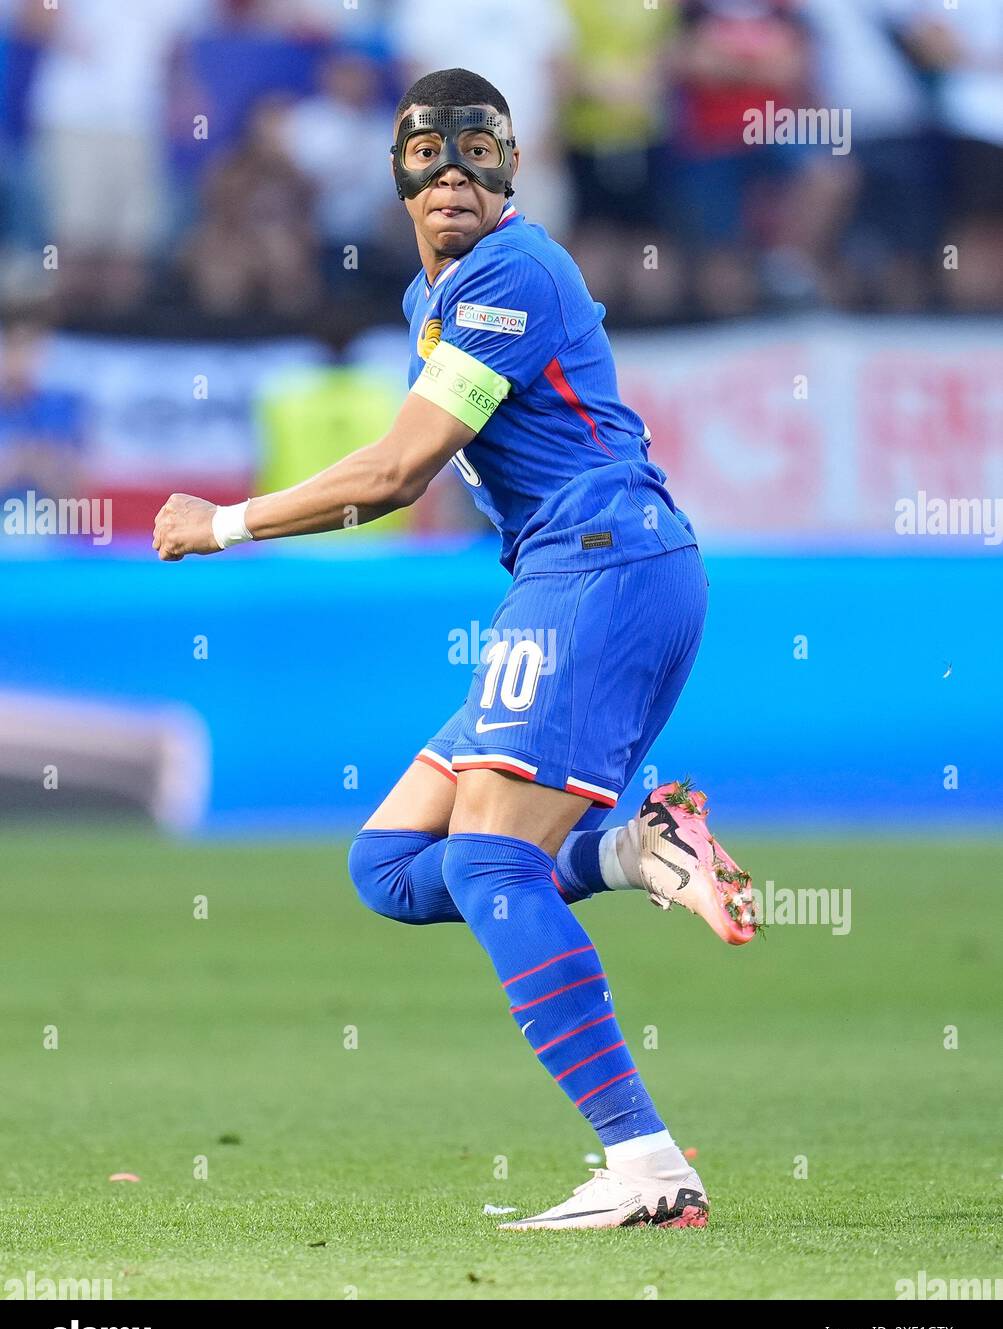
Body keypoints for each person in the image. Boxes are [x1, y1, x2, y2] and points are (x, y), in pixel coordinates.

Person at [153, 68, 757, 1232]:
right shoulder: (427, 296)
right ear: (396, 174)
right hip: (582, 572)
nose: (451, 175)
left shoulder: (515, 271)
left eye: (477, 150)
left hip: (600, 567)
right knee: (388, 866)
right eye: (425, 152)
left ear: (512, 166)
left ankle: (646, 1166)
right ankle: (635, 851)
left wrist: (222, 524)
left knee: (488, 864)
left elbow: (394, 473)